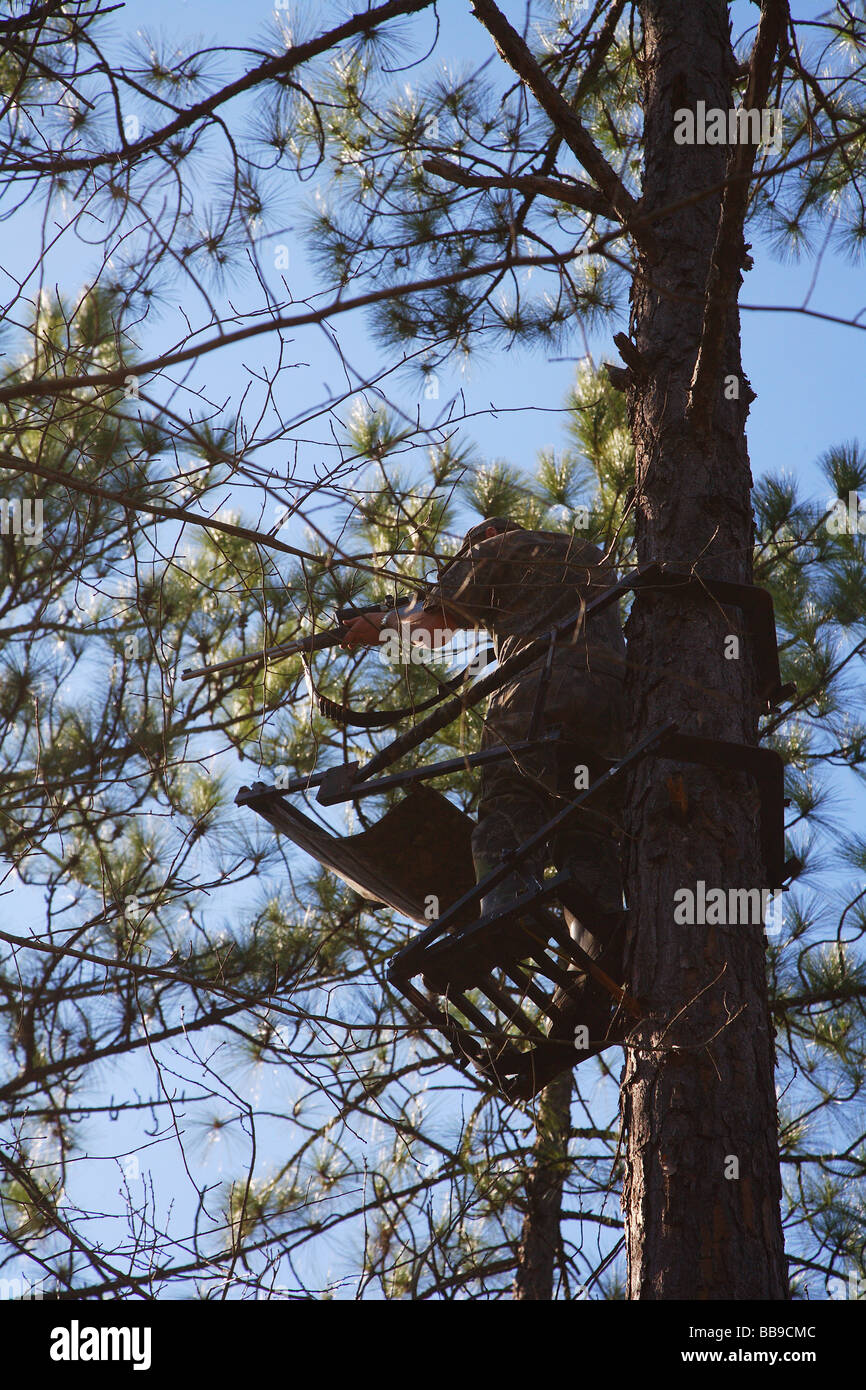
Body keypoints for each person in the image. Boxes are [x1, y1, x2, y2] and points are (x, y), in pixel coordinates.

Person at [341, 516, 628, 1046]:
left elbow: (434, 626)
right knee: (583, 833)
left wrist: (375, 626)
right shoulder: (587, 554)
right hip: (611, 709)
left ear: (484, 540)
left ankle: (507, 915)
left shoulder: (498, 549)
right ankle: (604, 945)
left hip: (538, 693)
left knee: (505, 813)